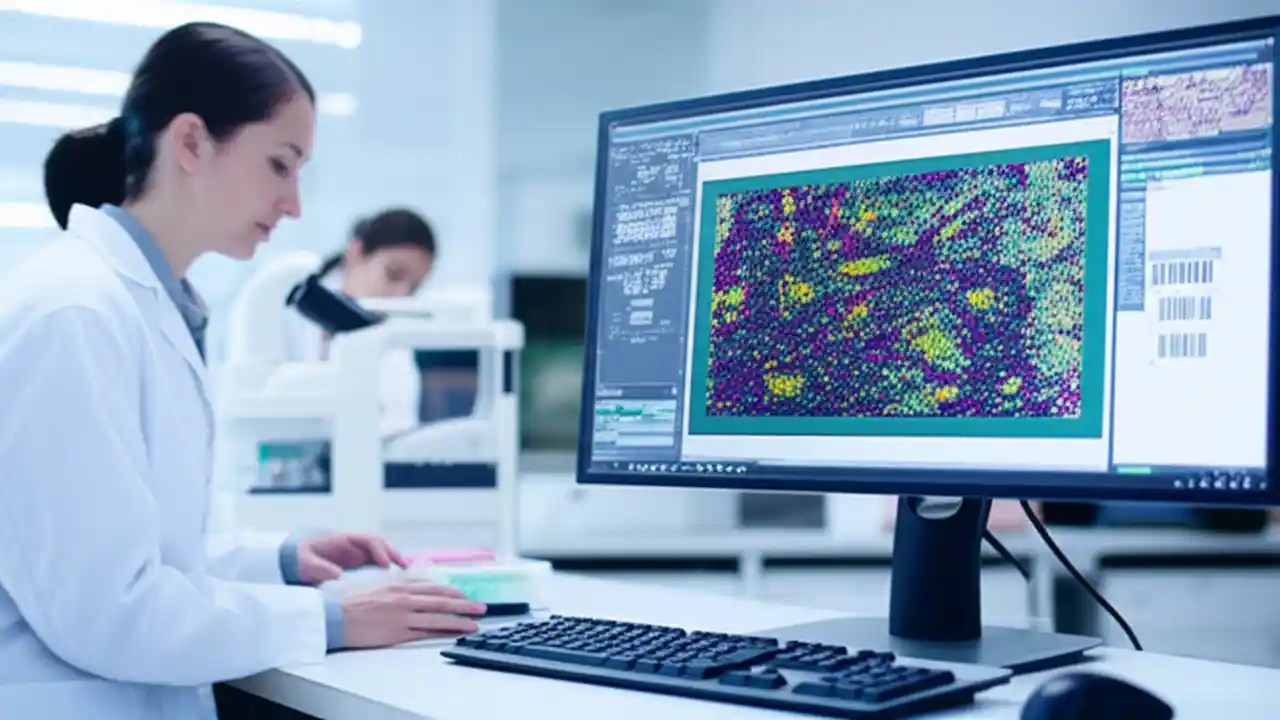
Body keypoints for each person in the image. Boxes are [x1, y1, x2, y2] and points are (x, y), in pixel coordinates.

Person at [0, 23, 484, 720]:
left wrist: (283, 559)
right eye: (280, 165)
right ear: (192, 142)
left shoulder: (139, 306)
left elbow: (148, 551)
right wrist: (333, 618)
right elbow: (110, 608)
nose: (294, 205)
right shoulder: (72, 313)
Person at [282, 208, 437, 435]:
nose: (401, 293)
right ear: (356, 252)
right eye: (393, 274)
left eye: (413, 286)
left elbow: (399, 427)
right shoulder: (289, 307)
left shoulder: (393, 345)